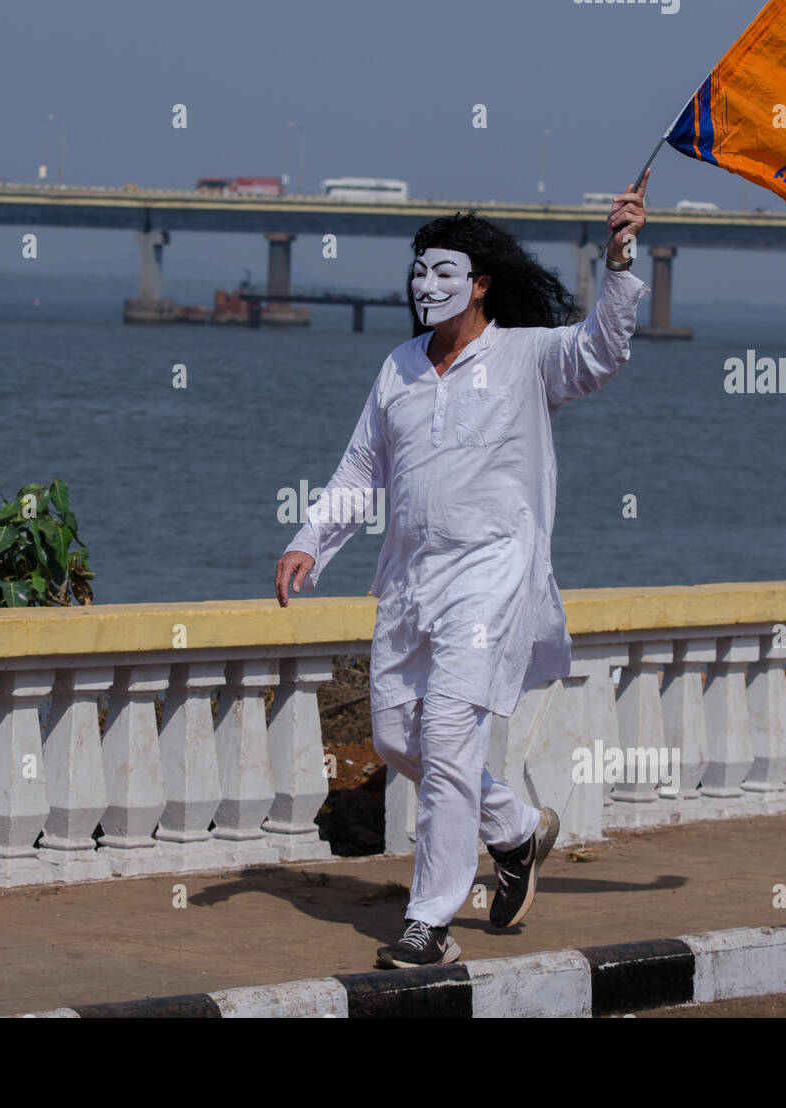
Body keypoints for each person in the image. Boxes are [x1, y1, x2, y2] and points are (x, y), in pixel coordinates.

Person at [275, 173, 650, 969]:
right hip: (410, 579)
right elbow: (359, 473)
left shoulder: (525, 356)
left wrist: (619, 261)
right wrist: (310, 539)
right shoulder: (399, 369)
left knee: (446, 737)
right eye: (418, 272)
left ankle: (429, 922)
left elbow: (600, 351)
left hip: (493, 574)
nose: (426, 285)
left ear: (480, 284)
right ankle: (514, 831)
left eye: (444, 272)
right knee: (394, 734)